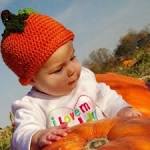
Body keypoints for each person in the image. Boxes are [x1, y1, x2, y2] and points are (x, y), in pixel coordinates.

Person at [0, 8, 141, 150]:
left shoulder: (85, 80)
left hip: (110, 142)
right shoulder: (32, 105)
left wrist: (122, 109)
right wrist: (37, 136)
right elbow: (22, 133)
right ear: (31, 80)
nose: (71, 70)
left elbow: (106, 97)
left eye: (72, 57)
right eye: (58, 69)